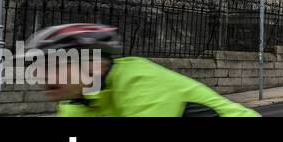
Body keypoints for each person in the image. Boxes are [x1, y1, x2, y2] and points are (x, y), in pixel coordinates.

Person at [25, 23, 258, 117]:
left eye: (54, 64)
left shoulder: (141, 83)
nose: (40, 74)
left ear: (94, 65)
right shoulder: (73, 105)